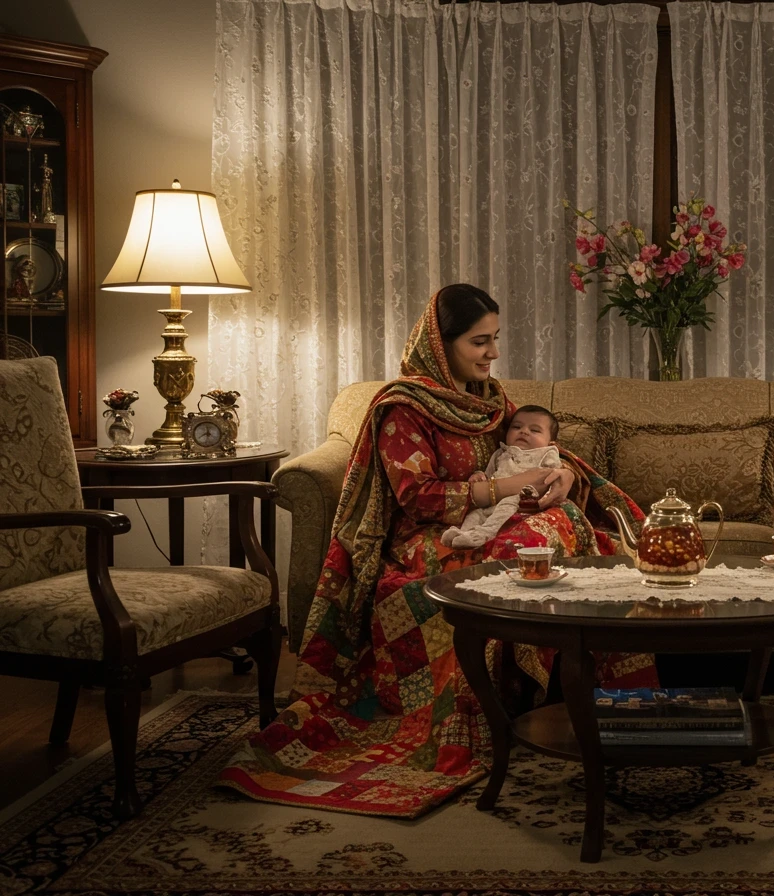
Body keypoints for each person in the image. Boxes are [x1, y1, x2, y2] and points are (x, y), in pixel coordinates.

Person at [219, 284, 657, 817]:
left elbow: (539, 450)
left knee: (567, 530)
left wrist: (561, 473)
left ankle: (608, 712)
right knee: (530, 546)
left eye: (495, 339)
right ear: (440, 343)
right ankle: (488, 711)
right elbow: (417, 499)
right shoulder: (404, 408)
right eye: (480, 342)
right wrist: (506, 490)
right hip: (426, 540)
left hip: (493, 521)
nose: (493, 354)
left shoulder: (489, 400)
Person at [443, 405, 563, 548]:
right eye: (516, 427)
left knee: (506, 508)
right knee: (476, 513)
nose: (524, 432)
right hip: (492, 499)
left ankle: (483, 534)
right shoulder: (500, 454)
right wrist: (478, 476)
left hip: (519, 499)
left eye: (535, 430)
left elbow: (553, 475)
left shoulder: (547, 453)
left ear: (551, 443)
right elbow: (489, 475)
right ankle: (463, 534)